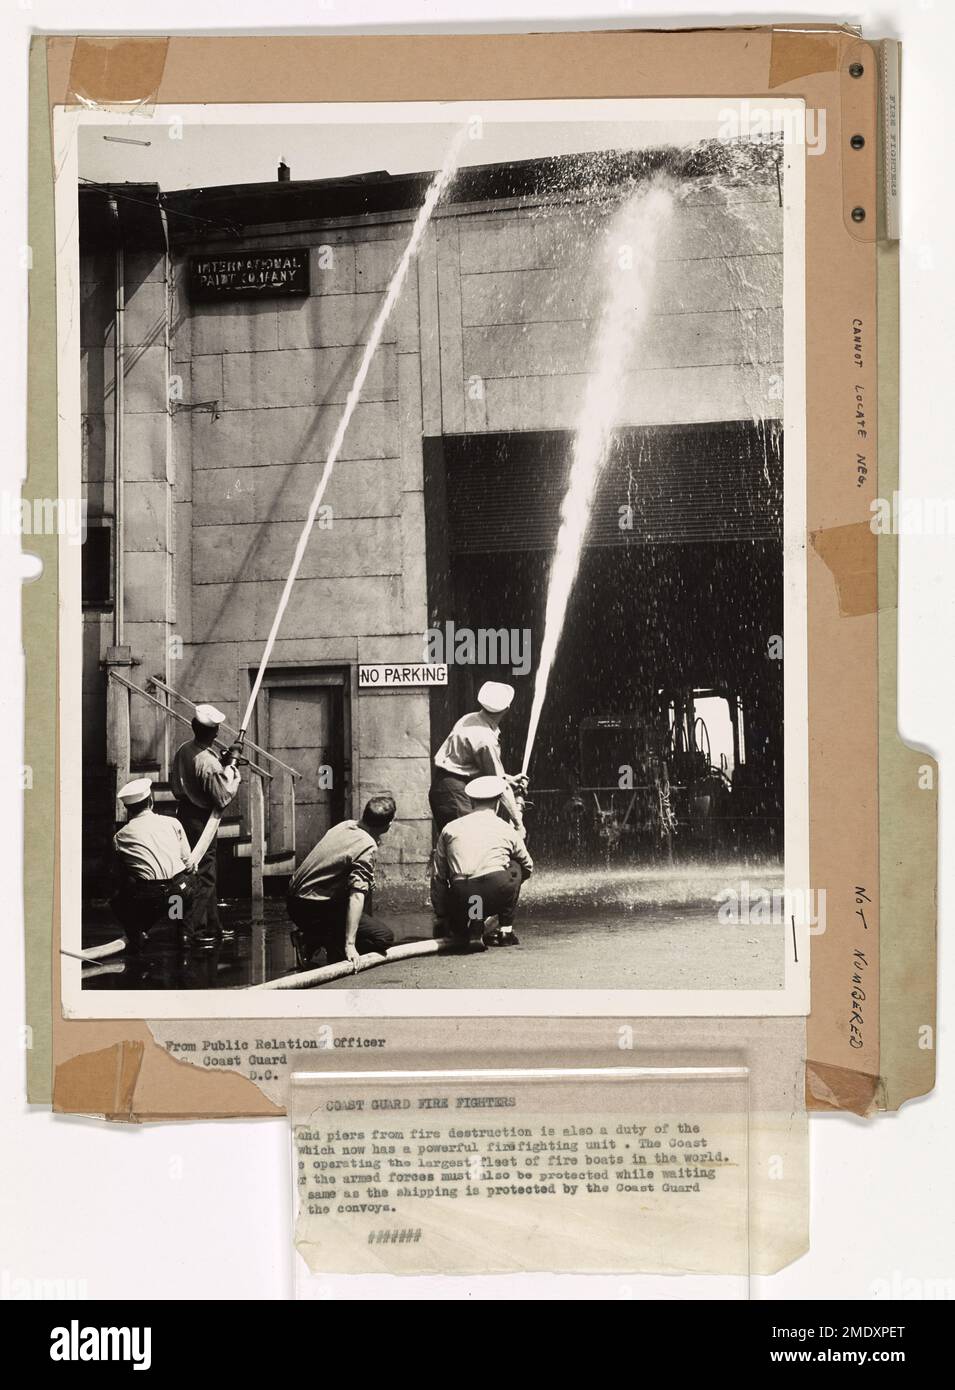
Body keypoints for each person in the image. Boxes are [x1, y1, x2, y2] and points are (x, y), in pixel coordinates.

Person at [286, 796, 397, 970]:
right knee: (383, 938)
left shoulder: (344, 825)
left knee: (366, 884)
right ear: (388, 825)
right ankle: (316, 940)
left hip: (294, 900)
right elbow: (357, 896)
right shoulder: (367, 846)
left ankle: (320, 939)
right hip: (312, 908)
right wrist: (350, 944)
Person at [430, 775, 533, 948]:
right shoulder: (505, 828)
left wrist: (441, 916)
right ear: (497, 802)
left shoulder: (450, 828)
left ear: (471, 801)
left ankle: (475, 926)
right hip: (495, 892)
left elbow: (438, 876)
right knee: (516, 866)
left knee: (473, 888)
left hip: (463, 895)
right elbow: (528, 865)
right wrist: (517, 842)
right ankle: (506, 930)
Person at [170, 703, 241, 944]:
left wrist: (222, 761)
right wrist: (231, 769)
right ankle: (192, 931)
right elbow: (221, 795)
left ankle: (213, 926)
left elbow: (197, 772)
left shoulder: (185, 749)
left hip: (184, 815)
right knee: (205, 875)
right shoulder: (208, 763)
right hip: (202, 819)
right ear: (214, 733)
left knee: (197, 871)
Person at [110, 778, 197, 951]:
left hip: (151, 896)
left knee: (118, 901)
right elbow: (189, 863)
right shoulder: (172, 823)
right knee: (179, 894)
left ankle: (137, 935)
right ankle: (182, 935)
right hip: (178, 890)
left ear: (127, 809)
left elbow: (119, 874)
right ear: (151, 801)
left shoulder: (120, 836)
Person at [429, 681, 527, 833]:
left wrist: (508, 779)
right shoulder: (486, 739)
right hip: (455, 793)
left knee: (460, 846)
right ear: (506, 709)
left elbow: (464, 764)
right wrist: (518, 822)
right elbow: (500, 787)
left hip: (443, 787)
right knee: (468, 843)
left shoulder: (469, 718)